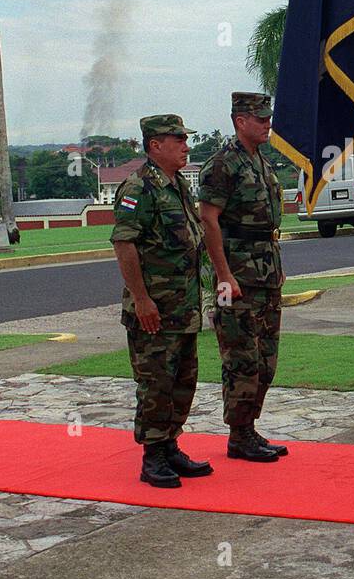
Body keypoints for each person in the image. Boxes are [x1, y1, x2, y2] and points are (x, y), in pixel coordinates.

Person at [111, 114, 214, 489]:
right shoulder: (139, 188)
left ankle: (170, 445)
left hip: (183, 307)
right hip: (154, 309)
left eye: (186, 139)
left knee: (183, 380)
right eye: (179, 139)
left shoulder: (178, 186)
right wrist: (141, 299)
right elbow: (125, 244)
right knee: (155, 383)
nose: (186, 145)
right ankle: (152, 456)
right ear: (156, 145)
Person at [199, 92, 286, 463]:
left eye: (268, 117)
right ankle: (238, 434)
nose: (268, 123)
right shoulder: (223, 165)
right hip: (236, 276)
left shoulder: (260, 163)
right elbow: (209, 220)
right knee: (241, 358)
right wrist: (223, 275)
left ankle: (249, 428)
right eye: (261, 118)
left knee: (265, 359)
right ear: (240, 121)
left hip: (266, 273)